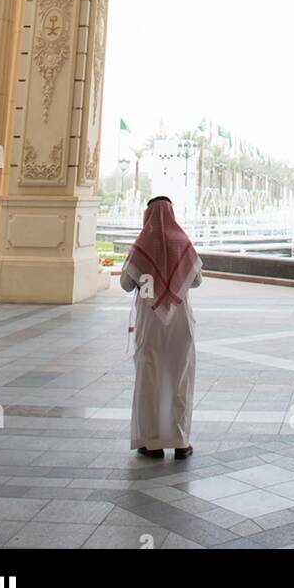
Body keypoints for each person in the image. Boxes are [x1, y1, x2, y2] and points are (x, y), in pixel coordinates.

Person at [120, 196, 202, 460]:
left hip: (151, 321)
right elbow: (197, 280)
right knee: (179, 377)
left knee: (150, 377)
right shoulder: (183, 242)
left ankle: (152, 443)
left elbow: (124, 284)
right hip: (179, 321)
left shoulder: (141, 245)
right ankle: (180, 441)